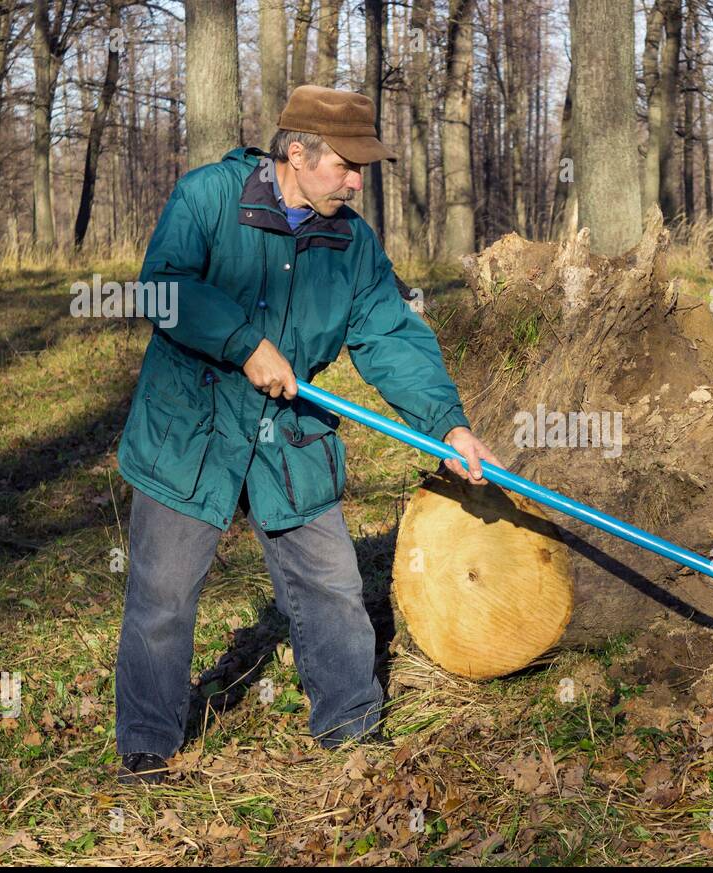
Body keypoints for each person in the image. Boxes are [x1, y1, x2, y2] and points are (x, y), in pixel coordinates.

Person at [113, 85, 502, 785]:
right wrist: (243, 343)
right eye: (348, 167)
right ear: (298, 154)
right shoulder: (207, 198)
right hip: (189, 432)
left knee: (331, 585)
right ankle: (147, 744)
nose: (357, 182)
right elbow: (161, 288)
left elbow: (389, 336)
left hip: (288, 438)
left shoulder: (349, 241)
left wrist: (449, 425)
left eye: (362, 170)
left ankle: (352, 726)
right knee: (163, 596)